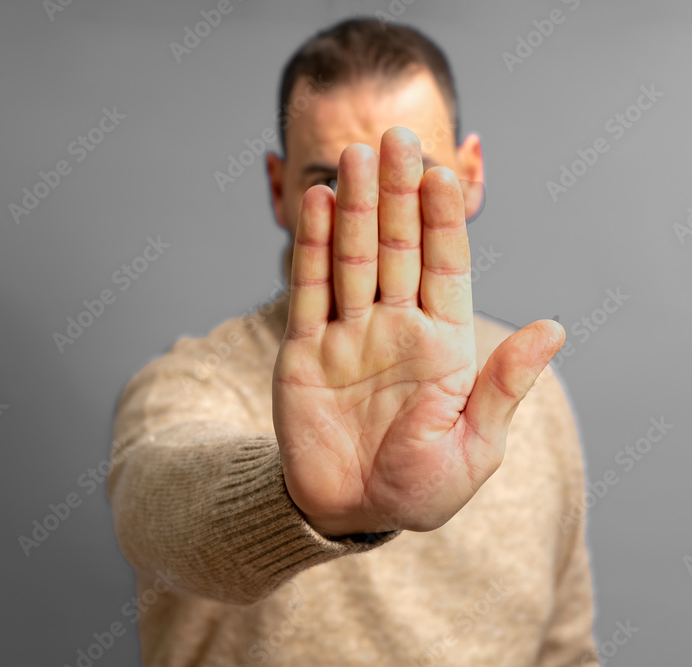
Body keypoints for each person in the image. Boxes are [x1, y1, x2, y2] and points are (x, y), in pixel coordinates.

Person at [109, 17, 599, 667]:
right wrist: (303, 502)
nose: (370, 206)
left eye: (413, 175)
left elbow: (565, 650)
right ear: (279, 188)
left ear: (471, 173)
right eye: (329, 181)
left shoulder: (524, 390)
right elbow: (156, 519)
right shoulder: (194, 382)